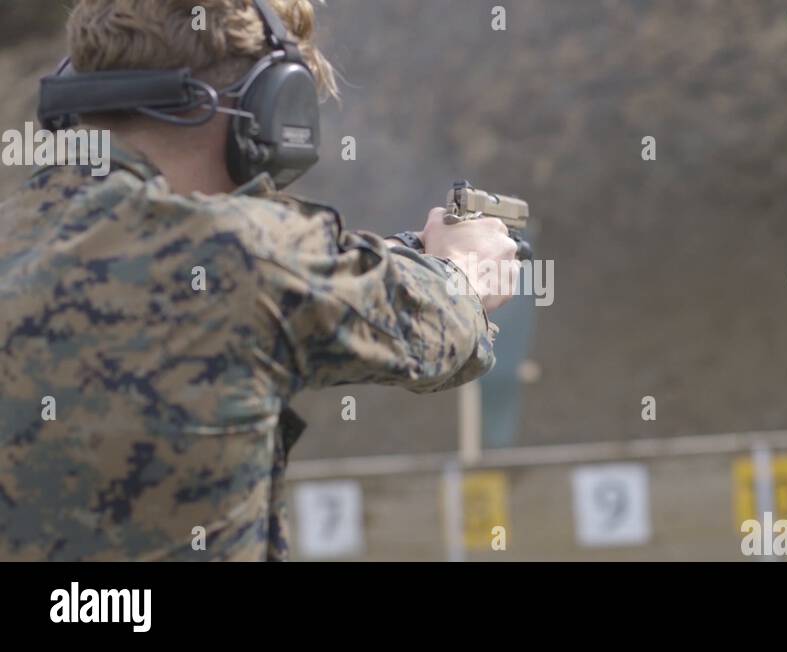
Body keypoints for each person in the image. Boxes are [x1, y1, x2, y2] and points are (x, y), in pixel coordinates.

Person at [0, 0, 518, 561]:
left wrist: (380, 258)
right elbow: (444, 326)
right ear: (273, 105)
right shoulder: (251, 256)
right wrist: (458, 267)